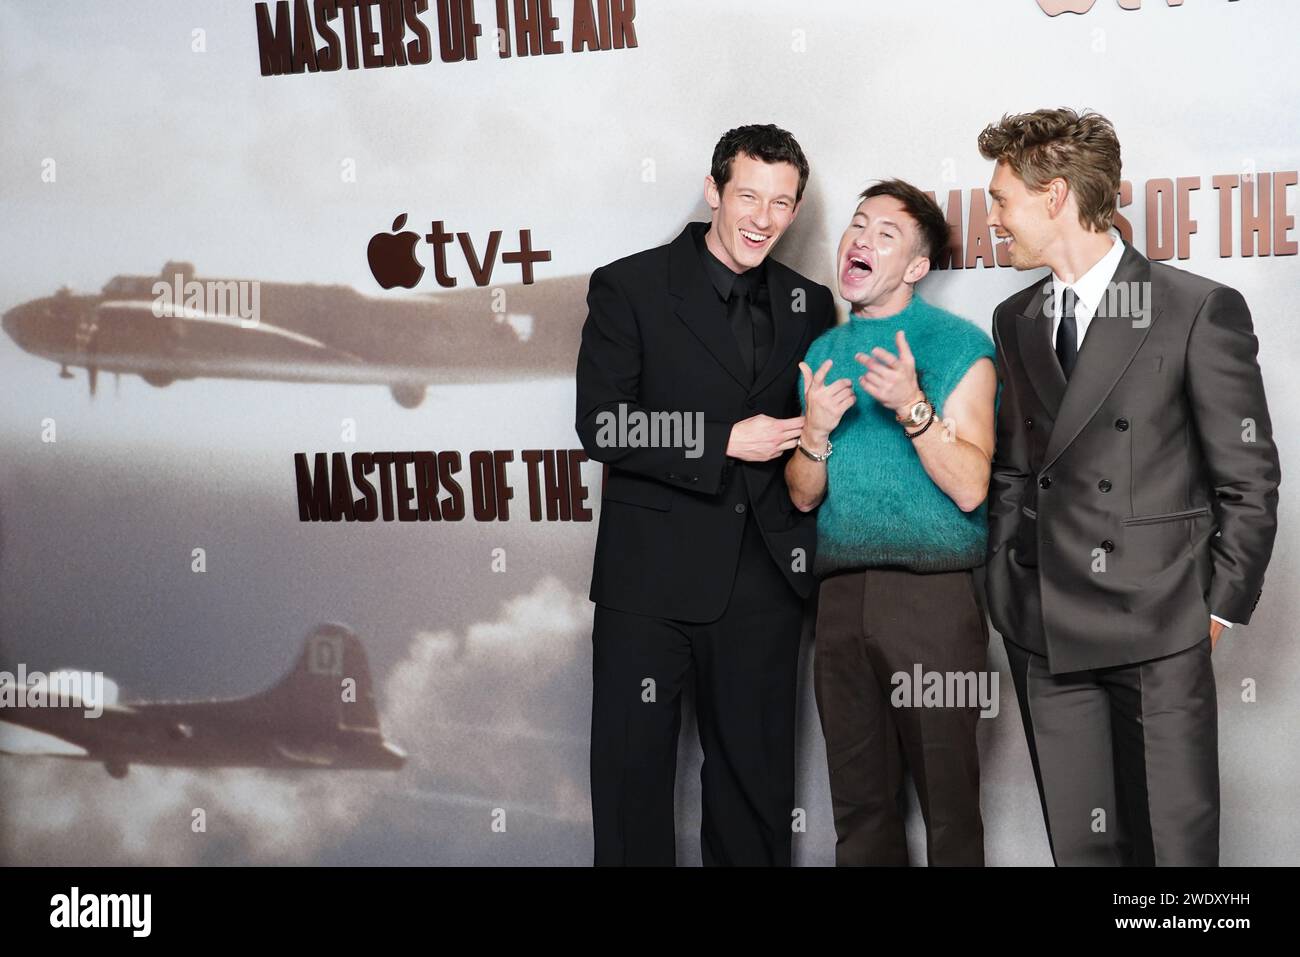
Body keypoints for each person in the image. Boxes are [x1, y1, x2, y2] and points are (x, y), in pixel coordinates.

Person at [979, 107, 1280, 866]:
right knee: (1084, 853)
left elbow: (1248, 478)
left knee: (1172, 861)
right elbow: (1016, 468)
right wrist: (1008, 591)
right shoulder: (1014, 316)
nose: (992, 219)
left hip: (1160, 630)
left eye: (1002, 199)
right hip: (1048, 628)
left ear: (1053, 198)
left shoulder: (1194, 308)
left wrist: (1213, 614)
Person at [575, 124, 837, 865]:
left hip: (763, 582)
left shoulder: (808, 303)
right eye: (748, 195)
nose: (763, 217)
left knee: (754, 795)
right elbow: (601, 423)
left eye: (782, 202)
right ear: (713, 190)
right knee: (632, 791)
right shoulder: (629, 285)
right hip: (647, 585)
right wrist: (722, 437)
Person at [786, 179, 997, 865]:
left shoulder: (960, 345)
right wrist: (814, 432)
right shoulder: (820, 352)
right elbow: (802, 497)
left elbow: (970, 487)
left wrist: (912, 407)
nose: (861, 241)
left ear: (915, 267)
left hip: (932, 600)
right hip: (842, 602)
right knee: (861, 809)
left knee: (949, 808)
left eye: (886, 235)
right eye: (857, 225)